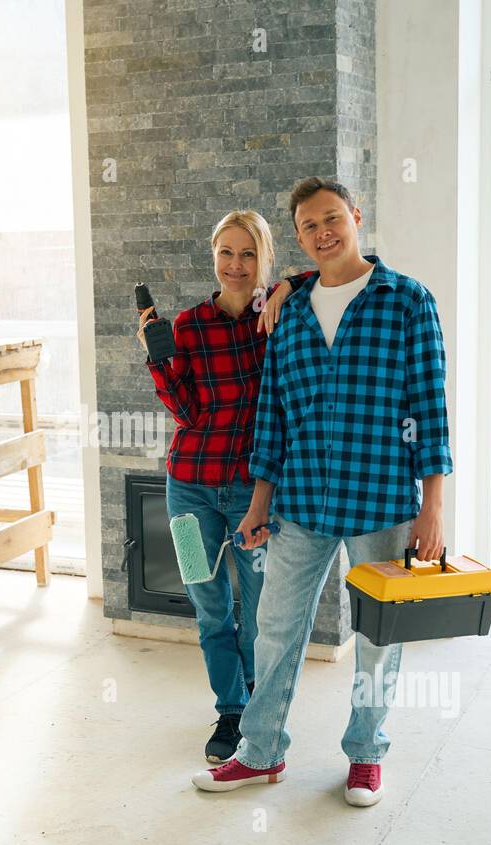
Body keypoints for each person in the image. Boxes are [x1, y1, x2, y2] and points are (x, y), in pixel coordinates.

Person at [191, 178, 452, 806]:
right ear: (300, 239)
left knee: (377, 638)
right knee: (275, 629)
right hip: (300, 501)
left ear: (356, 217)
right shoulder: (291, 310)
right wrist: (258, 502)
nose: (323, 232)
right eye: (309, 226)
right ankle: (259, 753)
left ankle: (365, 754)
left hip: (384, 500)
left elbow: (430, 407)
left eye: (332, 218)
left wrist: (434, 507)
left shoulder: (407, 301)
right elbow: (273, 417)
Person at [138, 210, 304, 763]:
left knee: (260, 610)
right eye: (226, 253)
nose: (236, 265)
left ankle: (257, 702)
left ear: (266, 259)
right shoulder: (187, 326)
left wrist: (287, 287)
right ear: (214, 256)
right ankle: (230, 710)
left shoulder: (280, 317)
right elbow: (185, 411)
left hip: (252, 492)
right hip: (185, 488)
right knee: (208, 606)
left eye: (249, 254)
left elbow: (336, 273)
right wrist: (159, 357)